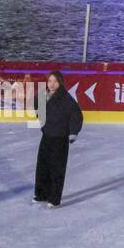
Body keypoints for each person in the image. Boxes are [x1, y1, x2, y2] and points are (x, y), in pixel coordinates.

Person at [32, 70, 83, 208]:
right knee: (42, 167)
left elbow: (76, 115)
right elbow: (37, 107)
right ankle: (41, 194)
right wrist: (42, 120)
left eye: (55, 81)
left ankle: (54, 198)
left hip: (60, 138)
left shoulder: (66, 98)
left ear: (60, 83)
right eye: (50, 81)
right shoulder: (43, 96)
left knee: (57, 169)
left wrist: (73, 132)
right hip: (47, 136)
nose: (52, 84)